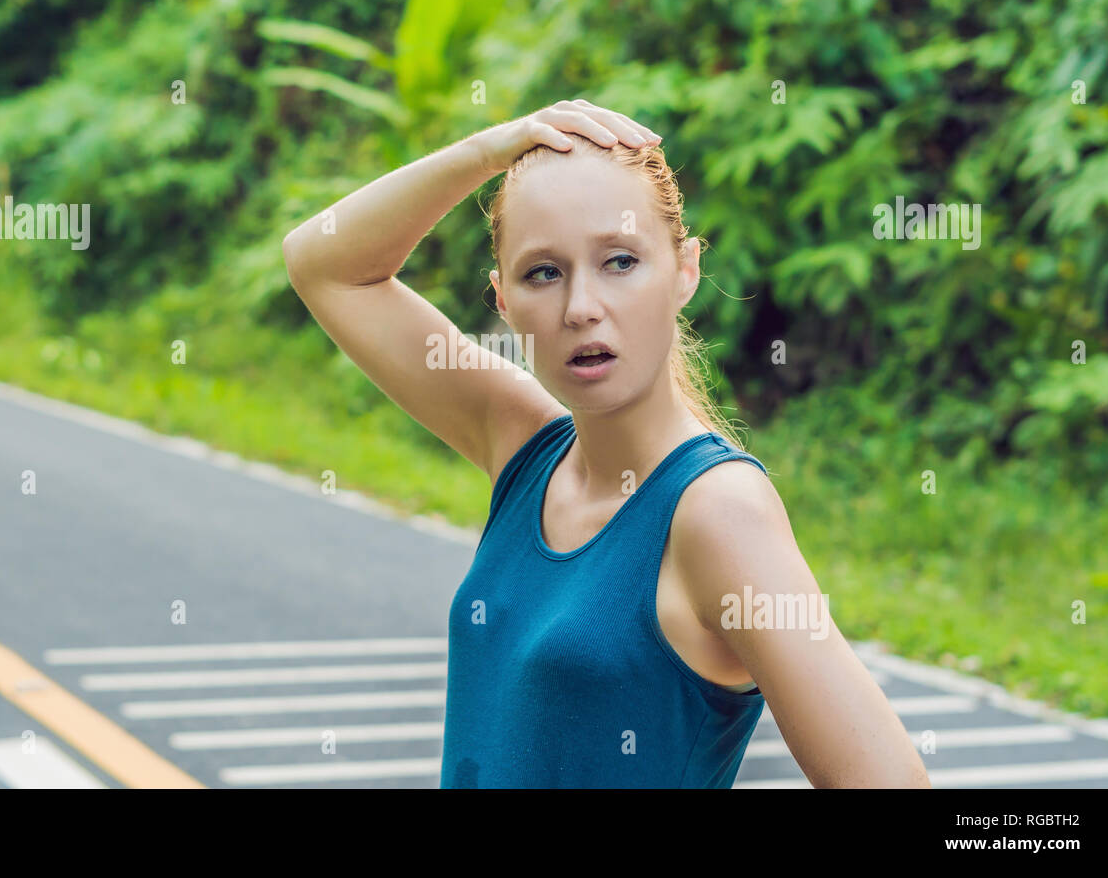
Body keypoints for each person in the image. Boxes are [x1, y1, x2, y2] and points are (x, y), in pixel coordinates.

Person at [282, 99, 931, 788]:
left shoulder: (717, 513)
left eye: (620, 262)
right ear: (503, 301)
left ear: (686, 270)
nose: (580, 306)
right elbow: (323, 263)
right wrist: (489, 151)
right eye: (543, 272)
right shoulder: (523, 446)